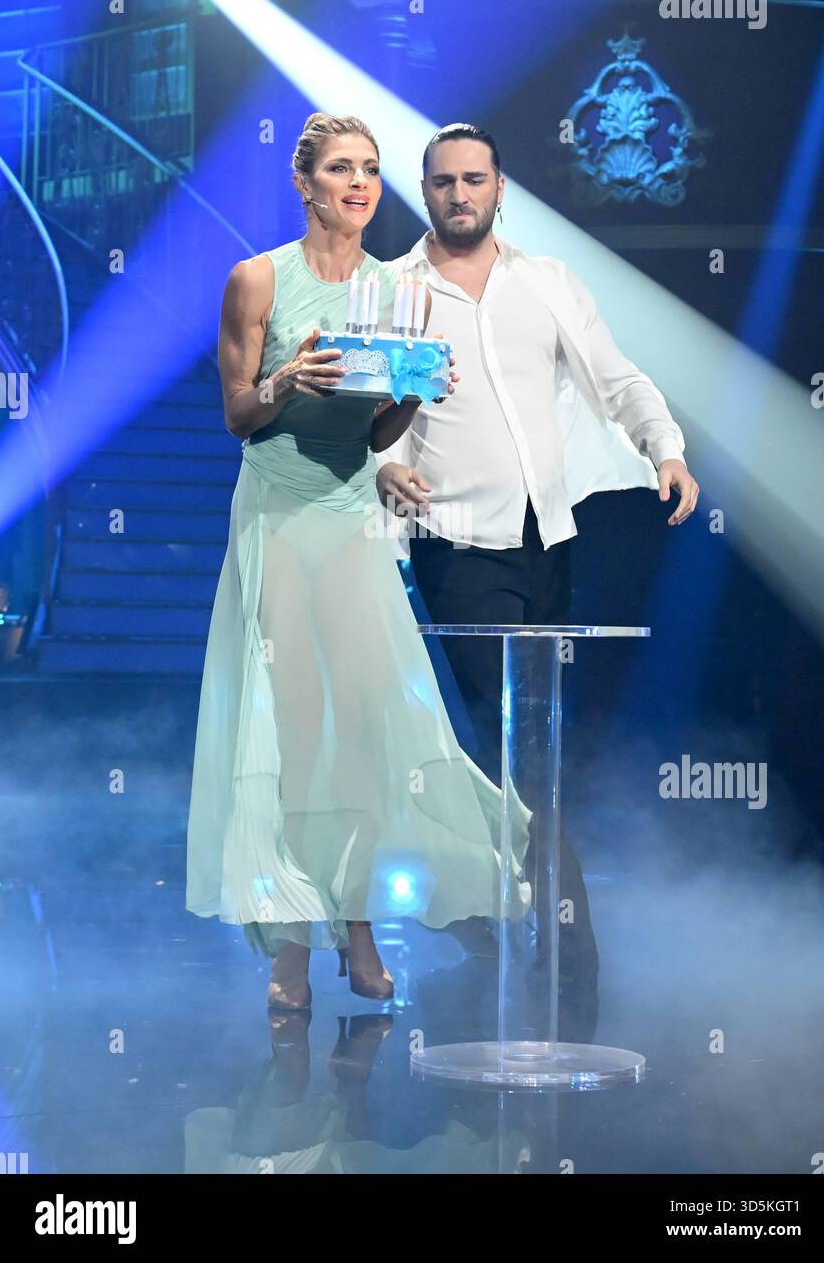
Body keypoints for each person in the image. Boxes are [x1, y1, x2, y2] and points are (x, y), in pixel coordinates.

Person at [185, 113, 532, 1012]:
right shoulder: (256, 280)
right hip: (276, 516)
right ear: (305, 184)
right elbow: (237, 415)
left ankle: (358, 924)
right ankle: (293, 948)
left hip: (350, 522)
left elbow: (378, 431)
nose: (361, 184)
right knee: (296, 732)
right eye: (342, 169)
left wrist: (412, 403)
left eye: (372, 170)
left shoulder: (400, 292)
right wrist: (285, 381)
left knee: (369, 734)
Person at [375, 123, 699, 963]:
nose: (458, 194)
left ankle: (496, 915)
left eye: (473, 179)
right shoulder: (396, 290)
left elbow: (616, 377)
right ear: (426, 190)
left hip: (548, 541)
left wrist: (665, 447)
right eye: (443, 181)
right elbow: (377, 415)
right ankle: (564, 951)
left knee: (535, 751)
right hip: (458, 544)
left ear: (499, 187)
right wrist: (386, 470)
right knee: (508, 747)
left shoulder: (548, 282)